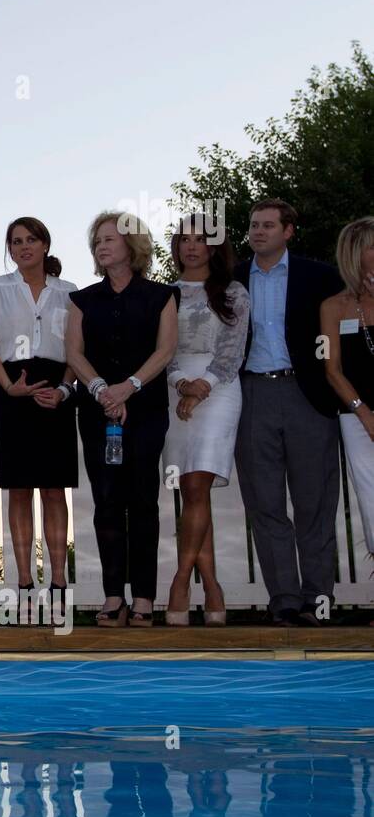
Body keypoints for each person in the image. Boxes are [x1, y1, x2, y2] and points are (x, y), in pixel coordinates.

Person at [234, 199, 344, 626]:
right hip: (251, 396)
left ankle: (318, 601)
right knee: (265, 505)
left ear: (288, 231)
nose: (258, 232)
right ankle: (284, 599)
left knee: (315, 504)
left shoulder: (321, 277)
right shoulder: (232, 279)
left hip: (308, 396)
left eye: (267, 225)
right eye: (253, 225)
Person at [65, 212, 178, 628]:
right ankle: (114, 596)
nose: (102, 246)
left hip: (147, 410)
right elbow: (74, 353)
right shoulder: (82, 300)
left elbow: (165, 351)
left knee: (144, 503)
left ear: (132, 245)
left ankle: (145, 598)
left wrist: (128, 387)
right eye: (97, 241)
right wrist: (100, 391)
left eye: (110, 239)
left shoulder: (162, 296)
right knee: (107, 502)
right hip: (97, 413)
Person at [0, 217, 77, 614]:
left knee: (54, 488)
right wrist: (7, 385)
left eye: (31, 239)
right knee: (19, 488)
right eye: (15, 242)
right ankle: (24, 581)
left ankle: (59, 580)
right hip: (12, 385)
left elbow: (76, 348)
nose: (23, 247)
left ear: (45, 244)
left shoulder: (69, 292)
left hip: (56, 387)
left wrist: (65, 388)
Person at [163, 220, 249, 625]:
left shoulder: (233, 292)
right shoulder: (166, 295)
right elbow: (163, 350)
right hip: (175, 390)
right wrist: (181, 383)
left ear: (215, 247)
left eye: (201, 239)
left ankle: (181, 581)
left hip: (220, 389)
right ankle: (213, 588)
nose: (193, 246)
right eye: (185, 240)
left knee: (197, 483)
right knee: (193, 490)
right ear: (177, 247)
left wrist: (202, 387)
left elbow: (233, 351)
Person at [320, 216, 374, 625]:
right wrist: (364, 412)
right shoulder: (333, 308)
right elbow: (333, 369)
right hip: (356, 418)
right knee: (372, 504)